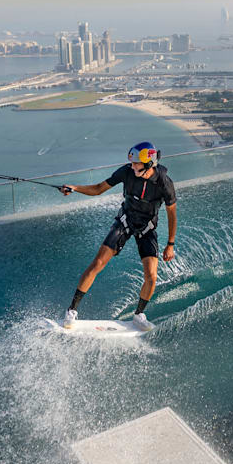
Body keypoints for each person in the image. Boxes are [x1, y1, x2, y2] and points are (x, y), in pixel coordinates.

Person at [58, 141, 176, 331]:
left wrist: (170, 244)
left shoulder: (164, 183)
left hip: (146, 228)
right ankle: (71, 311)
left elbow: (172, 214)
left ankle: (139, 315)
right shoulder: (126, 172)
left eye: (136, 163)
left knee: (152, 276)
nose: (132, 165)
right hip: (125, 221)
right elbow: (98, 189)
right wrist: (75, 188)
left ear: (148, 164)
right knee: (98, 263)